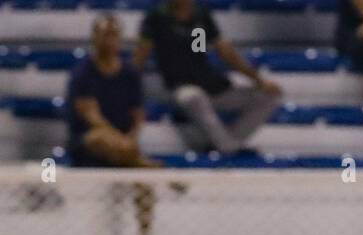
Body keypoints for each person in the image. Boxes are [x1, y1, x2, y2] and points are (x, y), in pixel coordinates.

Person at [134, 0, 283, 155]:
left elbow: (224, 52)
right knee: (193, 97)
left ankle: (225, 144)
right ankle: (228, 147)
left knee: (269, 96)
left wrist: (258, 80)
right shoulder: (157, 17)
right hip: (180, 86)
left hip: (210, 84)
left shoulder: (201, 16)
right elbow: (141, 55)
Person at [67, 14, 156, 168]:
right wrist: (122, 142)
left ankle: (139, 165)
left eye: (114, 35)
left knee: (120, 148)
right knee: (99, 138)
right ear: (95, 37)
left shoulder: (130, 73)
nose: (109, 41)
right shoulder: (83, 73)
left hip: (124, 142)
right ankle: (145, 166)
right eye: (105, 35)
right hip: (89, 141)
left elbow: (137, 114)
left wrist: (131, 139)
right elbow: (93, 118)